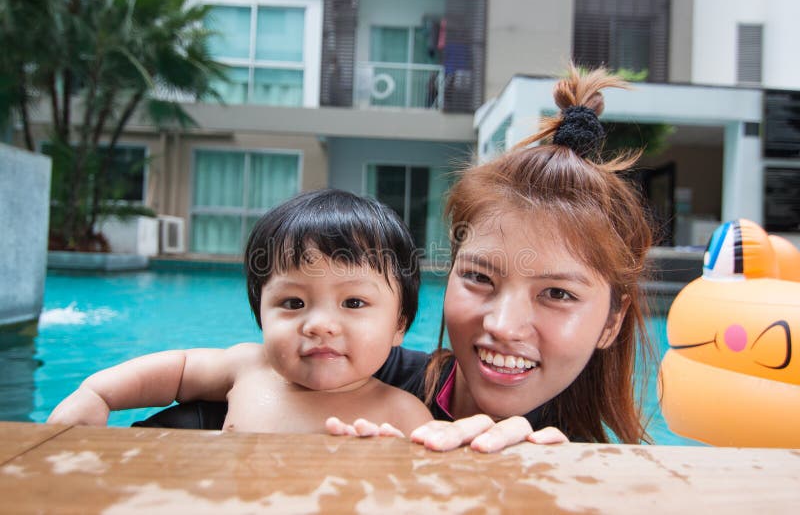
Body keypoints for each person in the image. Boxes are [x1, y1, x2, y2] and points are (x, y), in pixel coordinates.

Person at [137, 65, 656, 452]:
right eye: (478, 277)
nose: (502, 324)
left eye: (558, 293)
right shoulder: (345, 369)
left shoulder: (585, 466)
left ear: (612, 321)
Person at [47, 189, 433, 435]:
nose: (319, 325)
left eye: (353, 303)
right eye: (293, 303)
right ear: (261, 312)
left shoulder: (402, 413)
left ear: (399, 324)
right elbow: (177, 370)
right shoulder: (250, 366)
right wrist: (98, 394)